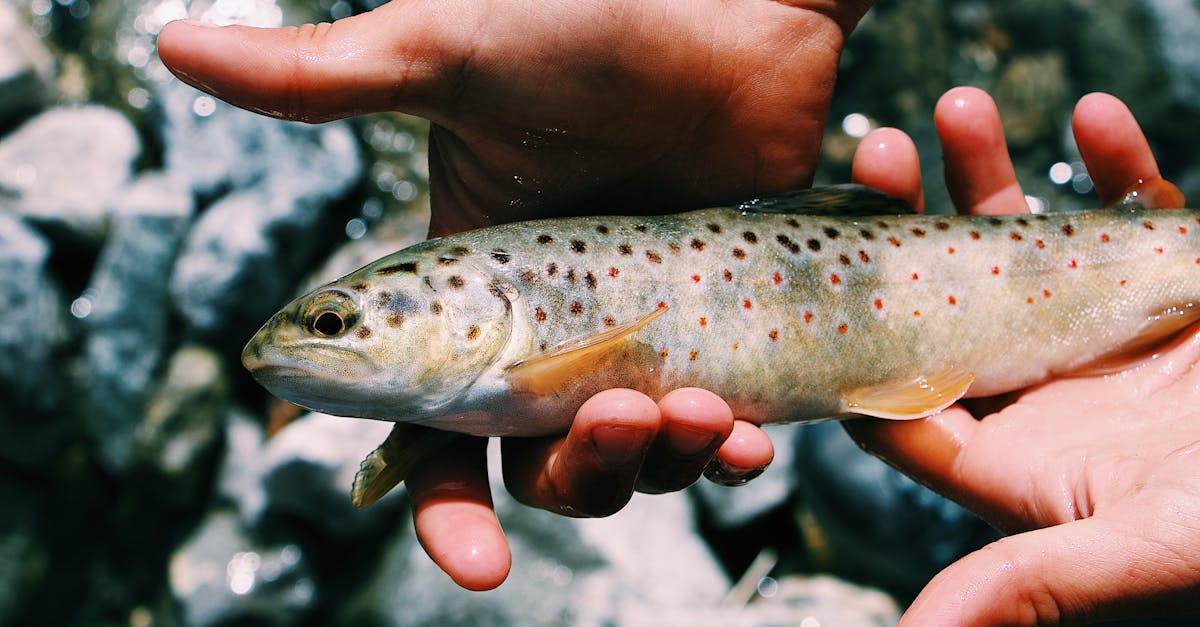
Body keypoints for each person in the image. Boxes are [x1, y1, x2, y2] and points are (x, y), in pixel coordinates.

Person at [157, 5, 1200, 625]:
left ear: (476, 307)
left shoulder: (500, 364)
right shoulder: (468, 382)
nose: (298, 350)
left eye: (339, 325)